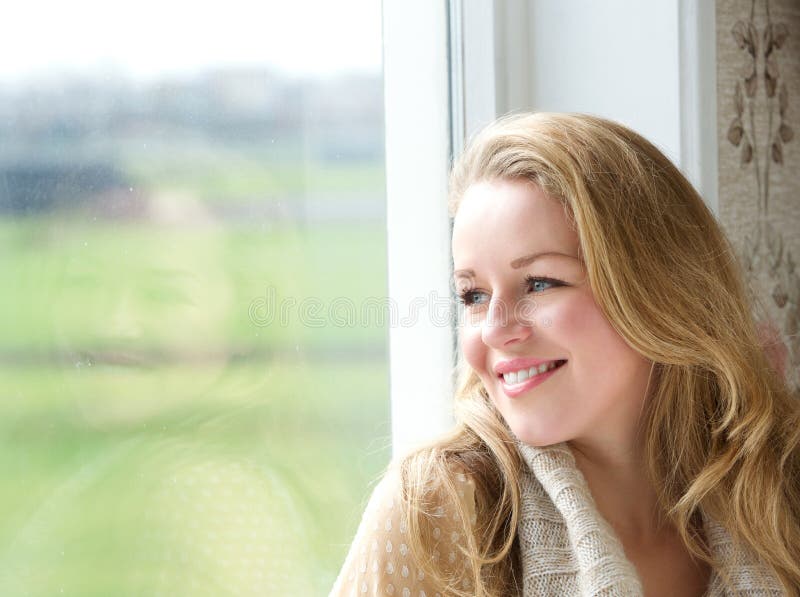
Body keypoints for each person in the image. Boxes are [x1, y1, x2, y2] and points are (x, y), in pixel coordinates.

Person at [330, 113, 800, 596]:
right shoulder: (437, 508)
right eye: (474, 295)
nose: (494, 330)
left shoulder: (778, 489)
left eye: (539, 283)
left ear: (660, 290)